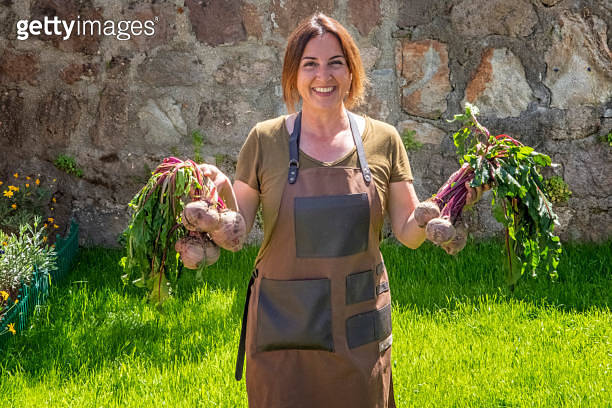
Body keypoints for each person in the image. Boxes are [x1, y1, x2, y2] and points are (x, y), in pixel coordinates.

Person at [199, 13, 485, 408]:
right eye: (310, 64)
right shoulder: (264, 140)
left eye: (336, 62)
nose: (324, 76)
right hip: (283, 332)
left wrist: (431, 214)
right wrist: (218, 198)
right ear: (293, 75)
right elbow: (237, 230)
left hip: (358, 332)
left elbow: (407, 232)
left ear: (351, 72)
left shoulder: (384, 140)